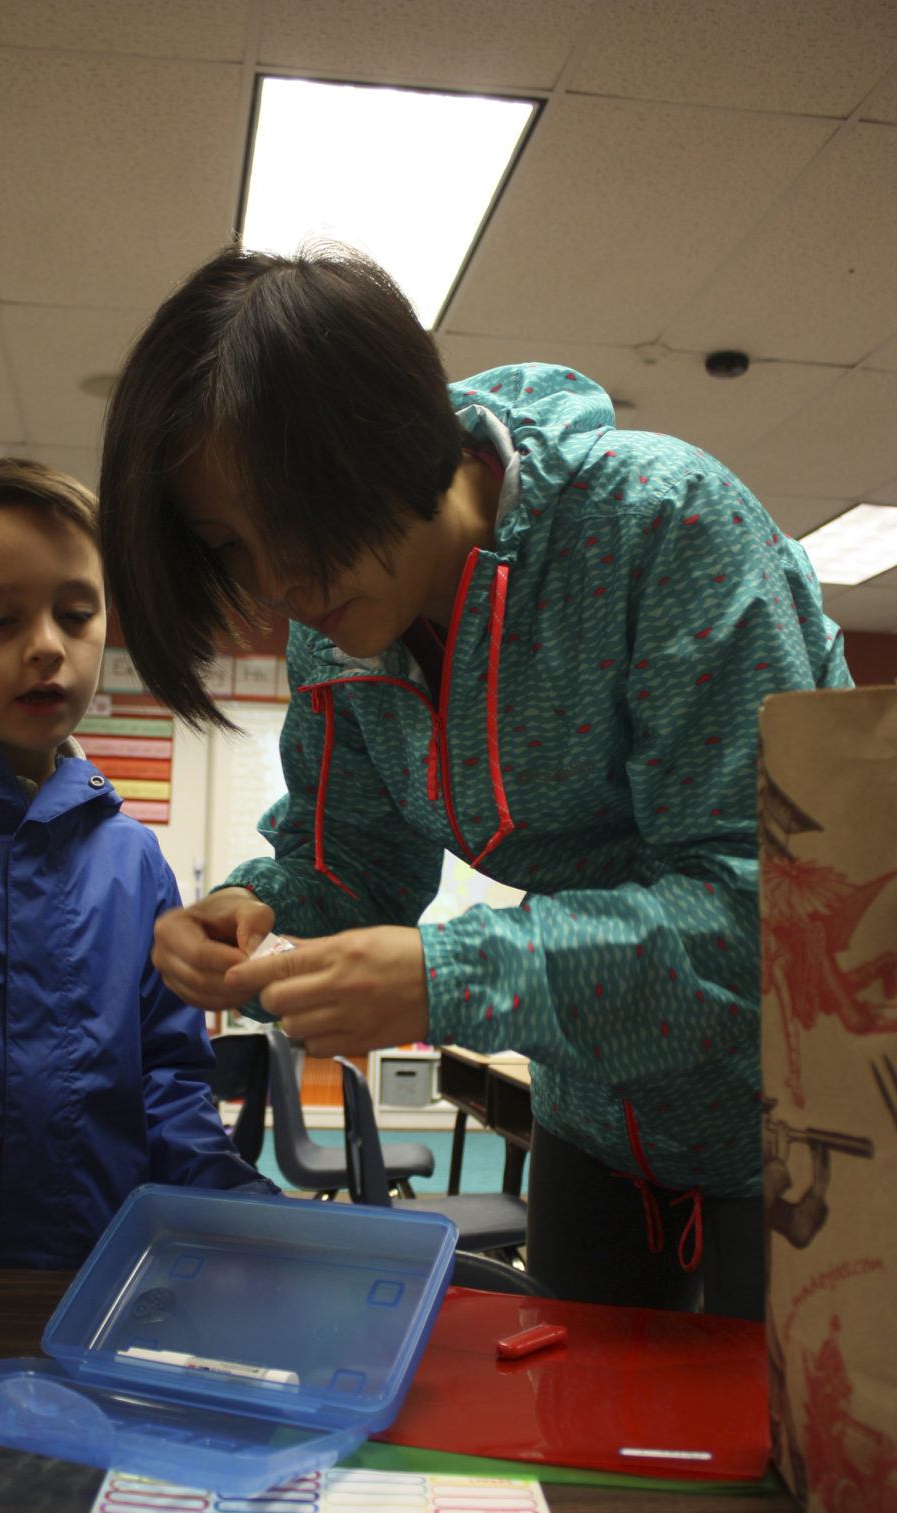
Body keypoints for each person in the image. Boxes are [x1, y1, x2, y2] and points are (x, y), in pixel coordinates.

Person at [96, 245, 852, 1320]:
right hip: (593, 1124)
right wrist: (251, 915)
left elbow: (763, 924)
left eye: (292, 520)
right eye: (229, 546)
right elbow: (350, 867)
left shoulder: (662, 524)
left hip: (803, 1123)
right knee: (580, 1410)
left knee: (783, 1427)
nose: (275, 585)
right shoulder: (337, 640)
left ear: (389, 436)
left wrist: (447, 976)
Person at [0, 458, 274, 1276]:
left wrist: (239, 1206)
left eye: (77, 615)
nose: (48, 646)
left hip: (95, 1281)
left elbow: (168, 1081)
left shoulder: (132, 859)